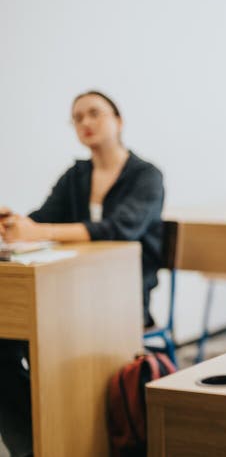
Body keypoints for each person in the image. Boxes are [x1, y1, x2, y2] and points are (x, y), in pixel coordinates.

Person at [0, 91, 164, 457]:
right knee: (3, 342)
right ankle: (36, 443)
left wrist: (38, 231)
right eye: (77, 118)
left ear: (118, 120)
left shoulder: (146, 175)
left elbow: (119, 229)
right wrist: (16, 224)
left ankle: (58, 437)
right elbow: (42, 218)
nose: (85, 122)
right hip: (65, 293)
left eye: (94, 113)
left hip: (124, 298)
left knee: (49, 336)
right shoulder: (76, 175)